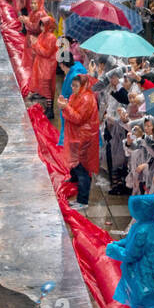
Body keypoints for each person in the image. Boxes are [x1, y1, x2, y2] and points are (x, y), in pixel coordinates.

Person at [56, 73, 99, 210]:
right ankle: (74, 178)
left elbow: (78, 118)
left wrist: (65, 107)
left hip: (84, 138)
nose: (72, 88)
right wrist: (65, 106)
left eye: (75, 86)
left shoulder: (86, 99)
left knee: (83, 168)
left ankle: (83, 199)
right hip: (76, 135)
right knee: (75, 162)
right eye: (72, 85)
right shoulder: (77, 96)